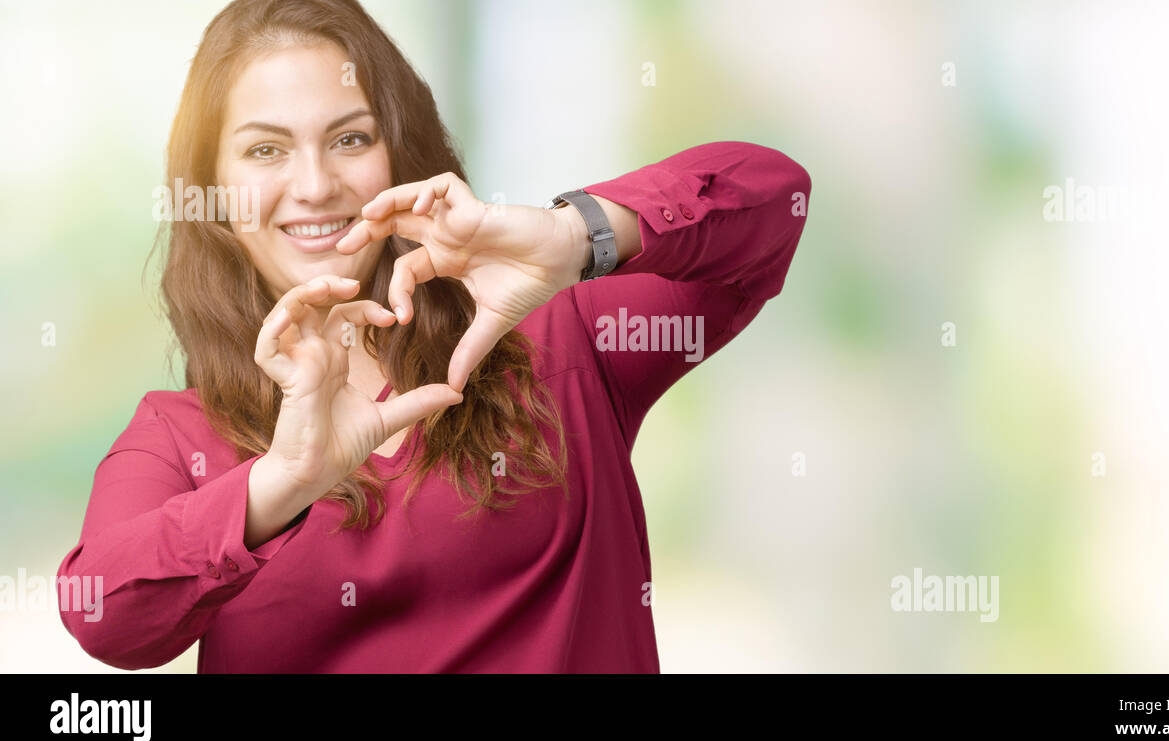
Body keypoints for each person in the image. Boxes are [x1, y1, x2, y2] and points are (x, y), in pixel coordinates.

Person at [56, 0, 811, 672]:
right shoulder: (179, 436)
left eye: (350, 139)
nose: (315, 185)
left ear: (401, 152)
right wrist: (285, 477)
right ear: (213, 194)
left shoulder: (555, 334)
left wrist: (570, 234)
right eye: (266, 150)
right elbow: (103, 614)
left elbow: (775, 199)